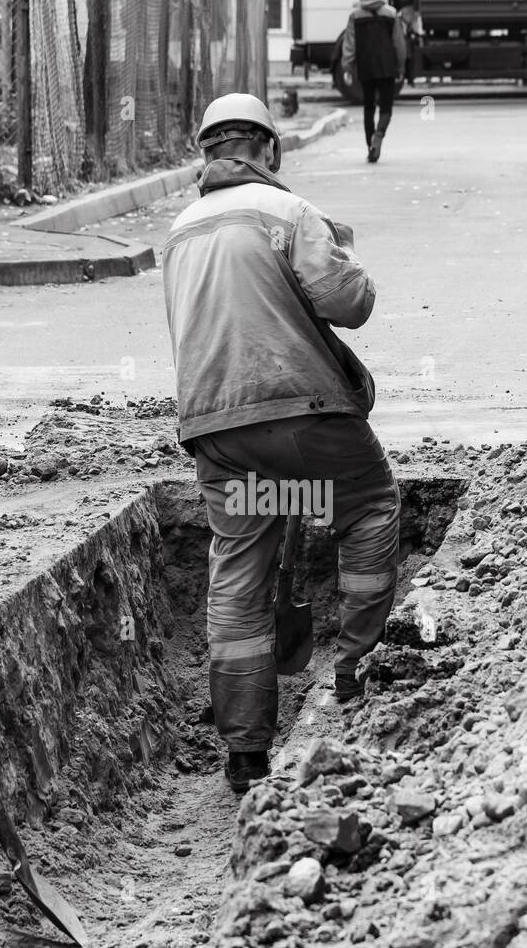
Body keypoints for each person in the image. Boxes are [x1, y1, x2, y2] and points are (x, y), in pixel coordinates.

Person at [162, 94, 401, 795]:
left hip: (217, 431)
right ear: (268, 151)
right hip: (304, 413)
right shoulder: (289, 214)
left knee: (238, 569)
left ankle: (243, 752)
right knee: (369, 506)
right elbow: (348, 303)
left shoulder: (178, 232)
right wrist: (338, 246)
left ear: (205, 156)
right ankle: (355, 671)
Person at [341, 0, 407, 163]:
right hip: (387, 68)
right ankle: (379, 135)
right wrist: (400, 66)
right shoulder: (391, 13)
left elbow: (349, 44)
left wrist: (347, 67)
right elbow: (399, 44)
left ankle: (370, 145)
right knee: (386, 108)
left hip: (366, 67)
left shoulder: (355, 15)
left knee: (368, 107)